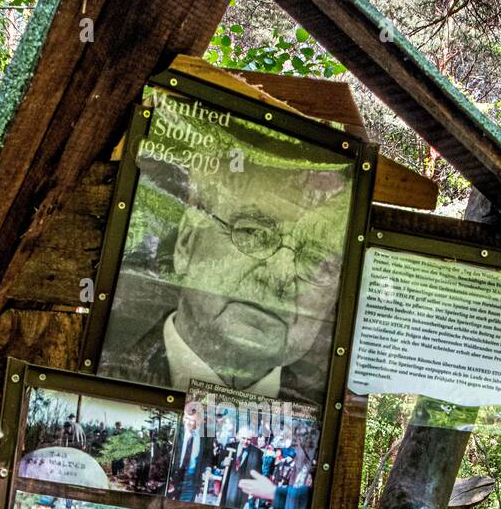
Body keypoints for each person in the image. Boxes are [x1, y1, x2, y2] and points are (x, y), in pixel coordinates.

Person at [97, 120, 351, 402]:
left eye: (314, 259)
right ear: (187, 242)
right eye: (253, 232)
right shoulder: (99, 374)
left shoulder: (324, 418)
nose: (280, 275)